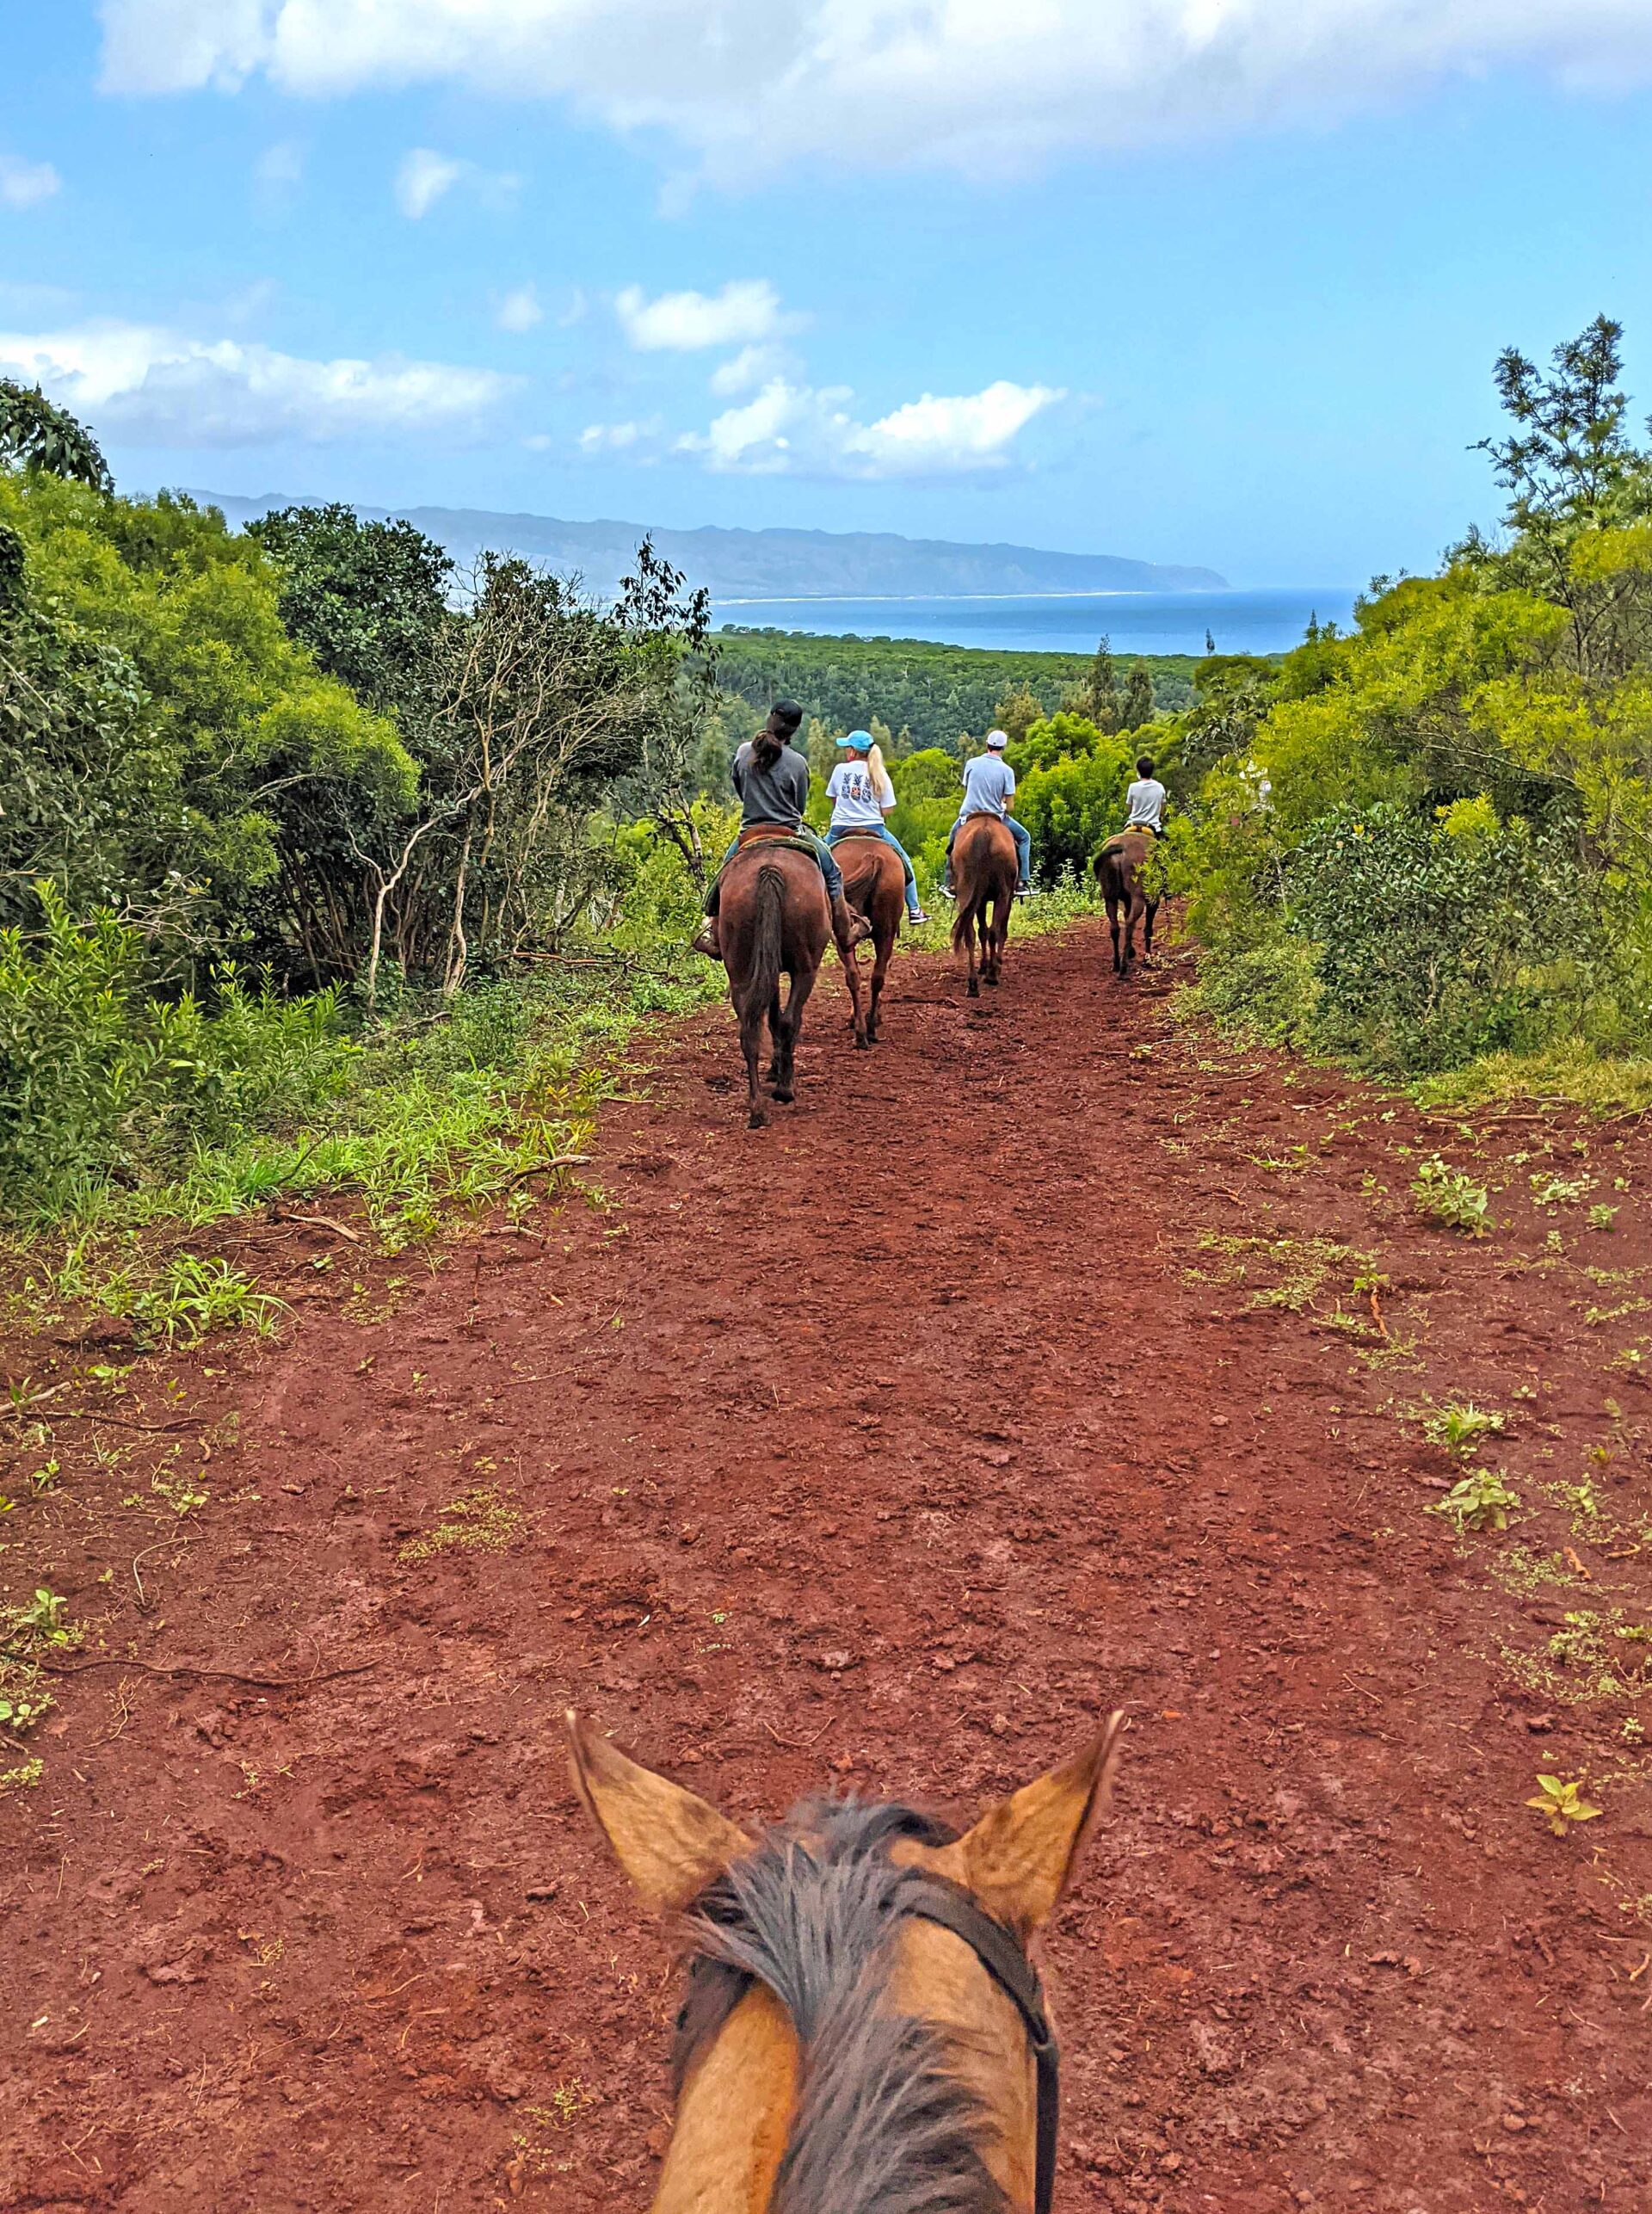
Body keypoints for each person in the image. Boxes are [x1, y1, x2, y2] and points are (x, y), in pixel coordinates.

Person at [692, 701, 870, 962]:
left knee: (722, 875)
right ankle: (844, 932)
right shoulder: (798, 763)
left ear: (770, 719)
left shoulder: (743, 753)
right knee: (832, 872)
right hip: (790, 831)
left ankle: (713, 931)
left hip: (751, 832)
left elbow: (740, 789)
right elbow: (799, 806)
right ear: (795, 730)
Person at [823, 730, 929, 925]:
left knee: (815, 858)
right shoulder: (880, 774)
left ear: (853, 751)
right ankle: (914, 909)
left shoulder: (840, 770)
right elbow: (887, 809)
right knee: (904, 861)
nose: (846, 750)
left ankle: (817, 910)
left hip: (840, 828)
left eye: (847, 747)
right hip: (875, 828)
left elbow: (833, 797)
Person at [941, 730, 1032, 896]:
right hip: (997, 816)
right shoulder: (1007, 771)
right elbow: (1010, 806)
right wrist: (1002, 803)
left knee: (953, 841)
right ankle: (1022, 881)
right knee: (1025, 838)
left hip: (968, 815)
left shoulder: (971, 763)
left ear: (986, 744)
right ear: (1003, 747)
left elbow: (968, 788)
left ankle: (949, 882)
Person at [1124, 754, 1168, 836]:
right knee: (1168, 846)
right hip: (1153, 826)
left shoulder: (1133, 787)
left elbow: (1128, 809)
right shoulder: (1159, 787)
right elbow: (1162, 809)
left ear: (1138, 771)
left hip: (1132, 824)